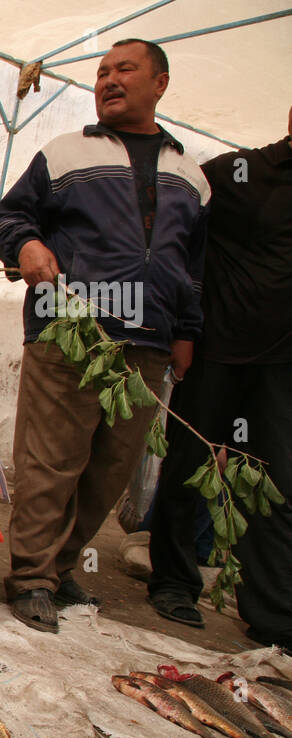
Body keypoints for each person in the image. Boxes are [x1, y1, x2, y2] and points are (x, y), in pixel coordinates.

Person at [0, 38, 209, 633]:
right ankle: (31, 577)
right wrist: (26, 245)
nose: (109, 80)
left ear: (160, 83)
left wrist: (186, 331)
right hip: (70, 330)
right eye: (102, 72)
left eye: (124, 69)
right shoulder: (65, 153)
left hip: (149, 340)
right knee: (52, 460)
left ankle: (61, 566)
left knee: (110, 467)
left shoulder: (192, 176)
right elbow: (11, 217)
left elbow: (193, 268)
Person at [147, 106, 292, 644]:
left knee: (275, 485)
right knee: (190, 466)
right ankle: (174, 582)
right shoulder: (239, 172)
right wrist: (183, 327)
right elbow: (183, 232)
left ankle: (273, 615)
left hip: (281, 367)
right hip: (217, 350)